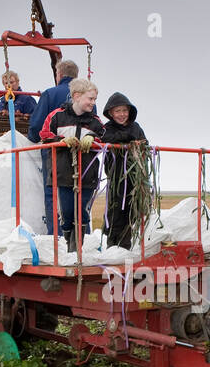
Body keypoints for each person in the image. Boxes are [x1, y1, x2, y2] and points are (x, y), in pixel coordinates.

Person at [39, 77, 105, 253]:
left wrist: (93, 138)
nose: (93, 103)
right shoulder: (56, 116)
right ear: (77, 96)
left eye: (95, 99)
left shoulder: (96, 122)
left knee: (82, 211)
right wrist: (61, 140)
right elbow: (44, 135)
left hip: (87, 174)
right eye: (90, 99)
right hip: (63, 173)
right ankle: (70, 246)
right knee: (67, 212)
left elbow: (105, 137)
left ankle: (77, 250)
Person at [28, 60, 79, 230]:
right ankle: (78, 240)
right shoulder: (86, 96)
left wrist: (32, 138)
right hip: (80, 152)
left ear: (59, 75)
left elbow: (36, 126)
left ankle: (56, 238)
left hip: (54, 151)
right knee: (78, 193)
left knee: (54, 193)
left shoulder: (50, 94)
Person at [99, 92, 147, 249]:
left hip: (134, 179)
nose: (122, 114)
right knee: (115, 211)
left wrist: (129, 140)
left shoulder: (136, 127)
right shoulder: (107, 128)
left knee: (130, 212)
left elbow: (144, 142)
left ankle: (125, 247)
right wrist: (127, 138)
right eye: (118, 111)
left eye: (124, 111)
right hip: (116, 178)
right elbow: (107, 139)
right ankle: (111, 246)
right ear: (111, 113)